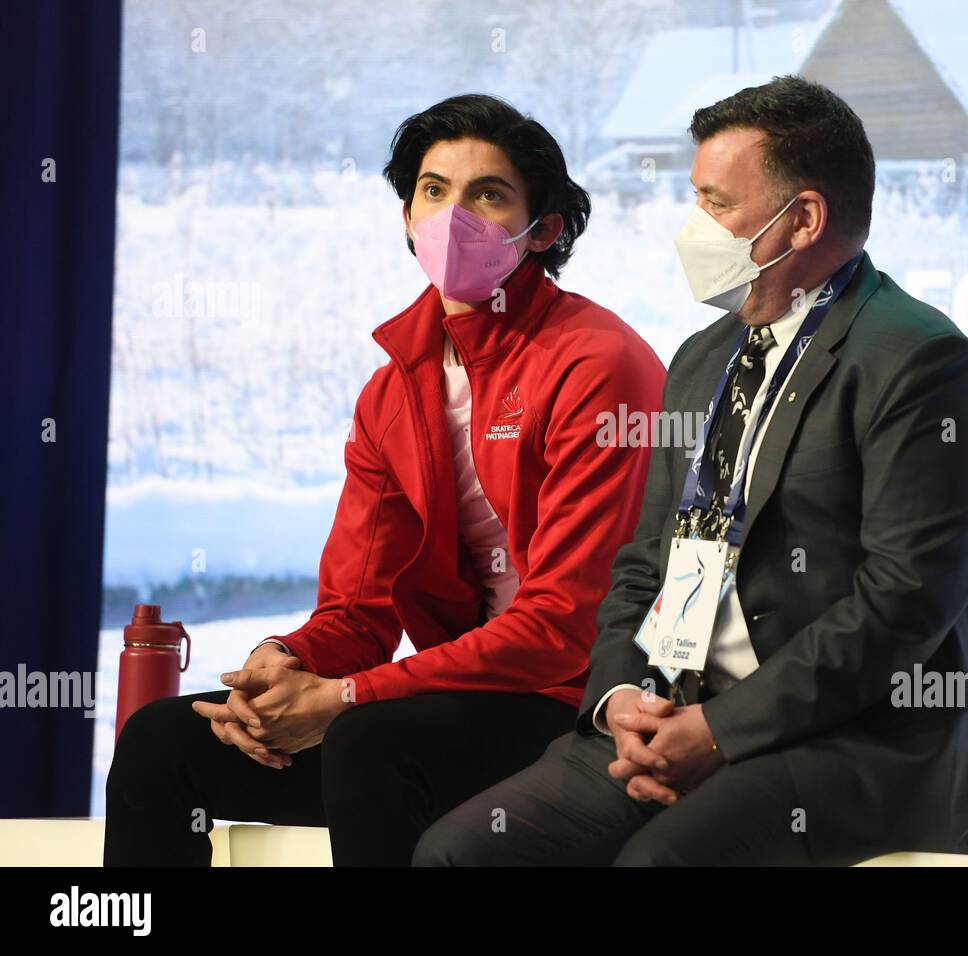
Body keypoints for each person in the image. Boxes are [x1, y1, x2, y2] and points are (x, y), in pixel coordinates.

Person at [412, 76, 968, 866]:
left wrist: (719, 730)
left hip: (855, 738)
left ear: (804, 219)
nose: (692, 227)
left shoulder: (915, 357)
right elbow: (646, 564)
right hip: (676, 711)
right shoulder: (702, 359)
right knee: (457, 854)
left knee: (661, 863)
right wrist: (621, 702)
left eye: (716, 204)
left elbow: (903, 604)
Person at [104, 94, 666, 866]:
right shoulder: (394, 390)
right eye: (434, 191)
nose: (452, 216)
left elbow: (562, 629)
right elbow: (359, 614)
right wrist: (283, 663)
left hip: (576, 708)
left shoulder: (598, 365)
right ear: (406, 215)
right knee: (163, 742)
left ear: (546, 231)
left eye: (488, 194)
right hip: (440, 710)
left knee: (370, 739)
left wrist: (346, 698)